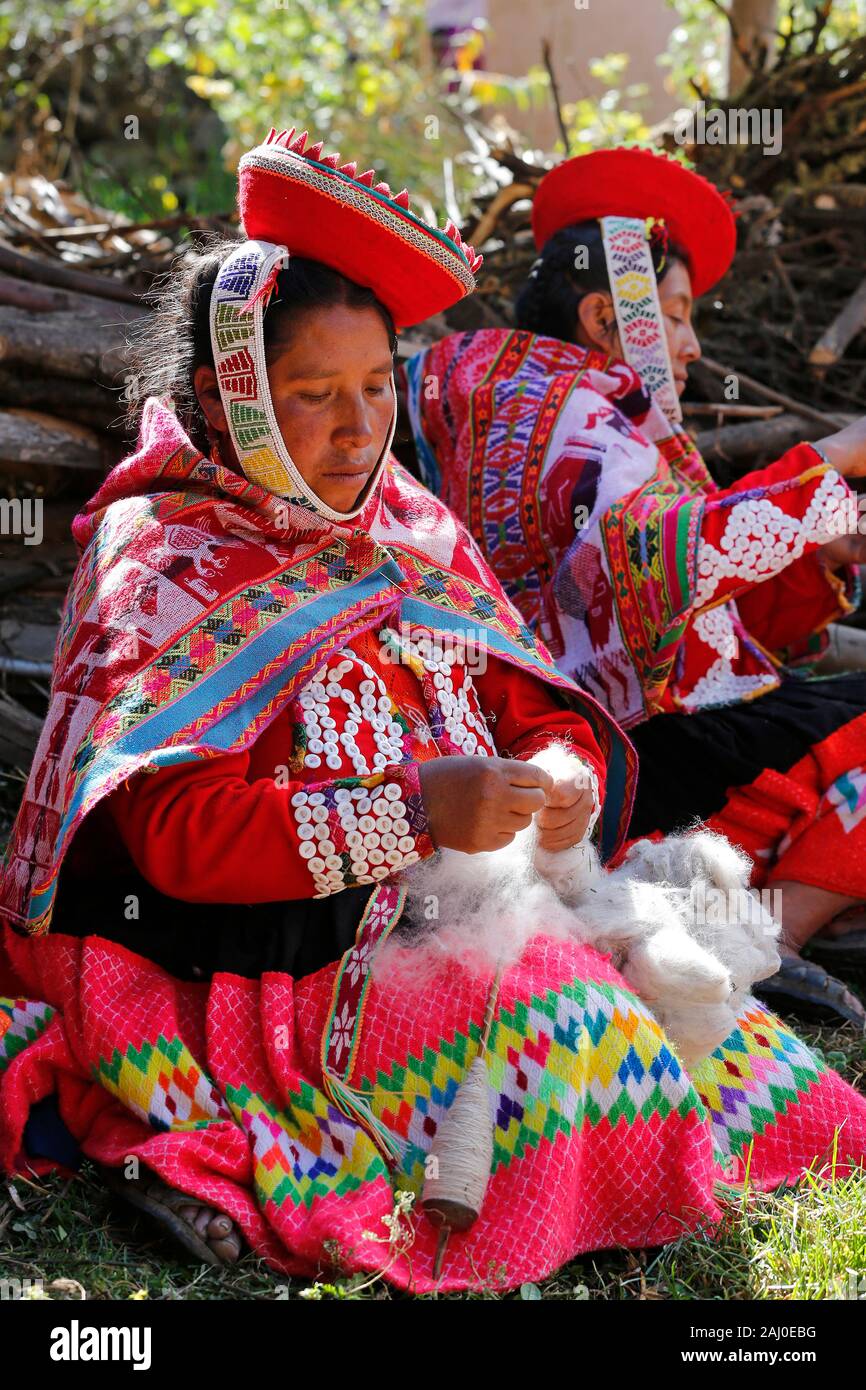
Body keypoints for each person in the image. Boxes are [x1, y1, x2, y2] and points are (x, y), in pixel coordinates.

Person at [1, 130, 864, 1294]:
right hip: (254, 973)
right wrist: (415, 808)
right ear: (227, 397)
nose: (359, 430)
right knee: (586, 1038)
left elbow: (523, 700)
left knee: (761, 1070)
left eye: (373, 389)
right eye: (313, 396)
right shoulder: (160, 553)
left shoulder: (405, 522)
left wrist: (559, 778)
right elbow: (178, 840)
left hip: (451, 915)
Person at [406, 145, 866, 1028]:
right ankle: (775, 942)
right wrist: (829, 466)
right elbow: (659, 566)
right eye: (678, 316)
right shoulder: (575, 414)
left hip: (588, 755)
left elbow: (669, 598)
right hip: (623, 757)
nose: (693, 345)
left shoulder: (496, 394)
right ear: (606, 321)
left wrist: (808, 548)